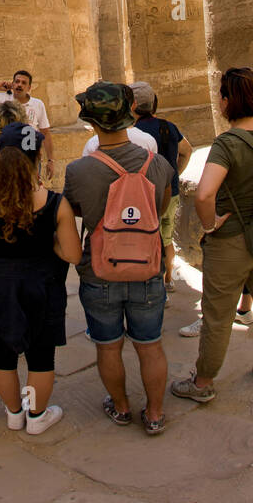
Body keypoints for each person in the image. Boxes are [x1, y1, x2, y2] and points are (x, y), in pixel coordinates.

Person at [171, 67, 253, 405]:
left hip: (232, 242)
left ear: (228, 101)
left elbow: (204, 195)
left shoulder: (228, 143)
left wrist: (210, 226)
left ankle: (204, 382)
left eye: (221, 96)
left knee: (217, 315)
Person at [63, 82, 172, 436]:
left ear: (92, 123)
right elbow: (160, 208)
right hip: (148, 269)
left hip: (101, 270)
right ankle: (154, 413)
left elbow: (76, 211)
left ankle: (122, 407)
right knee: (150, 345)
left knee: (108, 346)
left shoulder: (78, 171)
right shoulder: (159, 165)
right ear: (128, 118)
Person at [0, 123, 82, 434]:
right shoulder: (55, 203)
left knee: (1, 355)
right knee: (41, 355)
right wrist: (50, 242)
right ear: (36, 158)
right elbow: (73, 255)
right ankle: (37, 415)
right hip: (40, 284)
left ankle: (13, 412)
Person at [129, 81, 192, 294]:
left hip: (150, 195)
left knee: (152, 239)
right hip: (171, 191)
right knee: (167, 237)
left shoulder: (135, 134)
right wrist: (176, 174)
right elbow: (187, 150)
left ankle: (155, 283)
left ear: (132, 105)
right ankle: (168, 278)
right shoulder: (169, 126)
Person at [0, 70, 53, 179]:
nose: (19, 85)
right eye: (17, 82)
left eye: (23, 83)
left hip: (28, 158)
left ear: (29, 87)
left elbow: (45, 133)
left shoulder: (38, 104)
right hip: (1, 156)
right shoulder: (1, 99)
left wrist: (50, 160)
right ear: (12, 84)